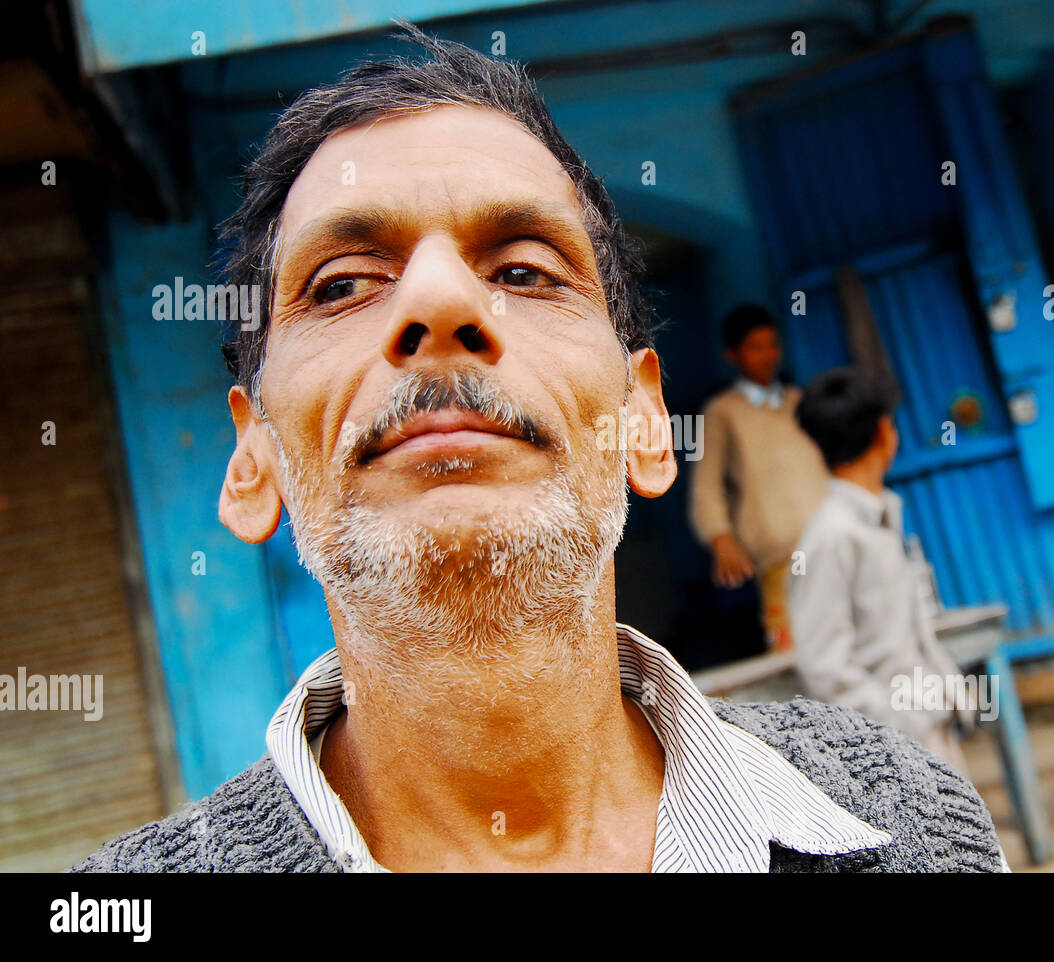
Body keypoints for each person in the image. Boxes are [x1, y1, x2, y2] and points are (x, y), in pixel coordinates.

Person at [71, 26, 1003, 873]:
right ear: (254, 460)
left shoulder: (913, 816)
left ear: (643, 421)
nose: (440, 307)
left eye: (523, 271)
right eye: (345, 283)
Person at [790, 367, 972, 778]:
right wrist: (905, 726)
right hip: (899, 753)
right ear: (883, 433)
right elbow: (826, 668)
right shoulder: (832, 537)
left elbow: (911, 634)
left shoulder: (878, 518)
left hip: (931, 735)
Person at [688, 305, 828, 650]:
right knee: (798, 664)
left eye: (772, 345)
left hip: (830, 548)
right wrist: (721, 538)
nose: (768, 355)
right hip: (780, 562)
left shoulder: (799, 402)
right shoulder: (723, 412)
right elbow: (706, 484)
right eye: (755, 347)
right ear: (732, 354)